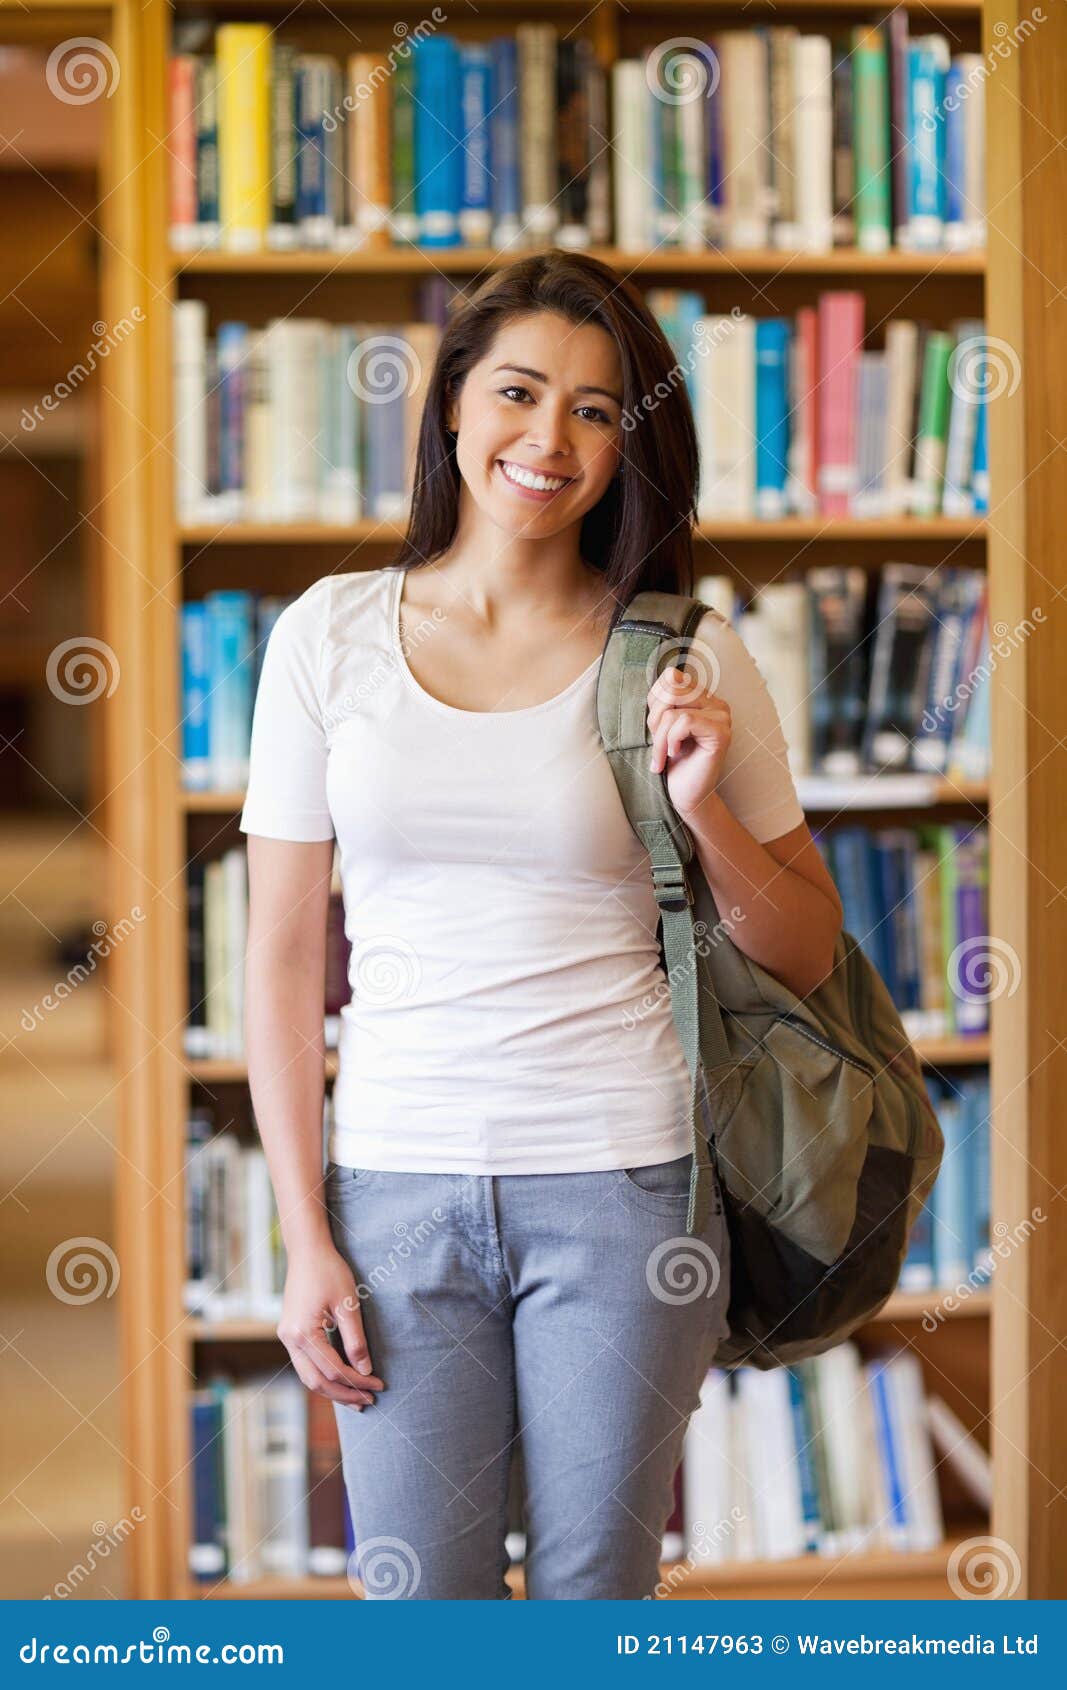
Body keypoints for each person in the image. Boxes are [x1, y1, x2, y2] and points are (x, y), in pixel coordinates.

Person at [239, 250, 843, 1600]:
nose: (550, 437)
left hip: (626, 1192)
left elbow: (805, 948)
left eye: (594, 410)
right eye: (519, 392)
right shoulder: (326, 639)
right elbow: (279, 956)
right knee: (420, 1606)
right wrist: (303, 1231)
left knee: (593, 1596)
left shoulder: (681, 647)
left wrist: (702, 809)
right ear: (452, 405)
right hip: (394, 1189)